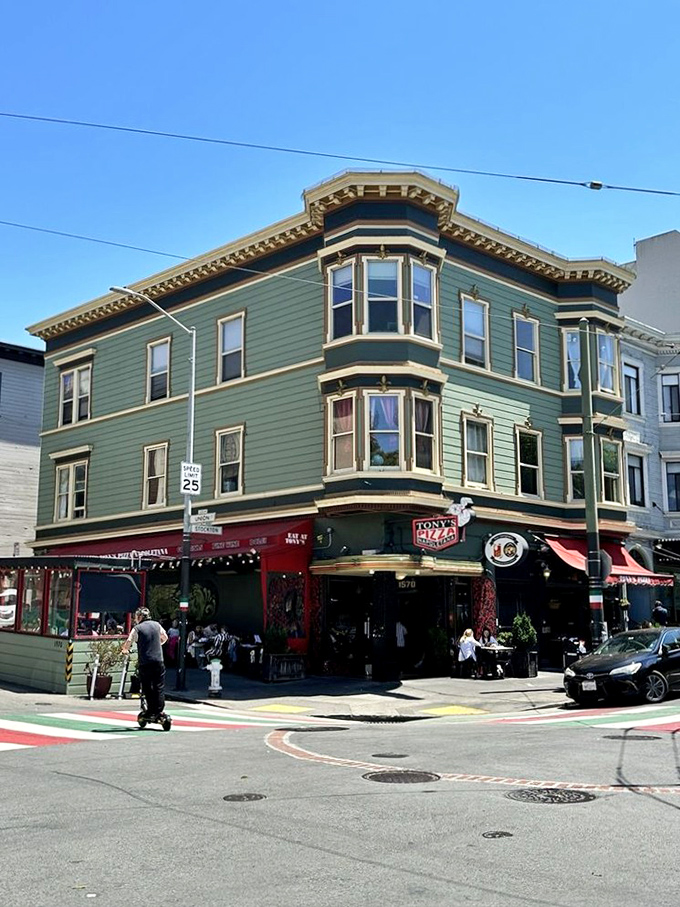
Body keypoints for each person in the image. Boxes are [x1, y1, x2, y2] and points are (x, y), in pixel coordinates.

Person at [122, 608, 168, 719]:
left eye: (136, 616)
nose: (135, 619)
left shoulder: (137, 628)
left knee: (147, 687)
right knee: (159, 686)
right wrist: (158, 644)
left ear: (140, 617)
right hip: (158, 660)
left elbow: (129, 641)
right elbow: (165, 637)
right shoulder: (157, 625)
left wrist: (125, 650)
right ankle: (159, 710)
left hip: (145, 661)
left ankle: (151, 711)